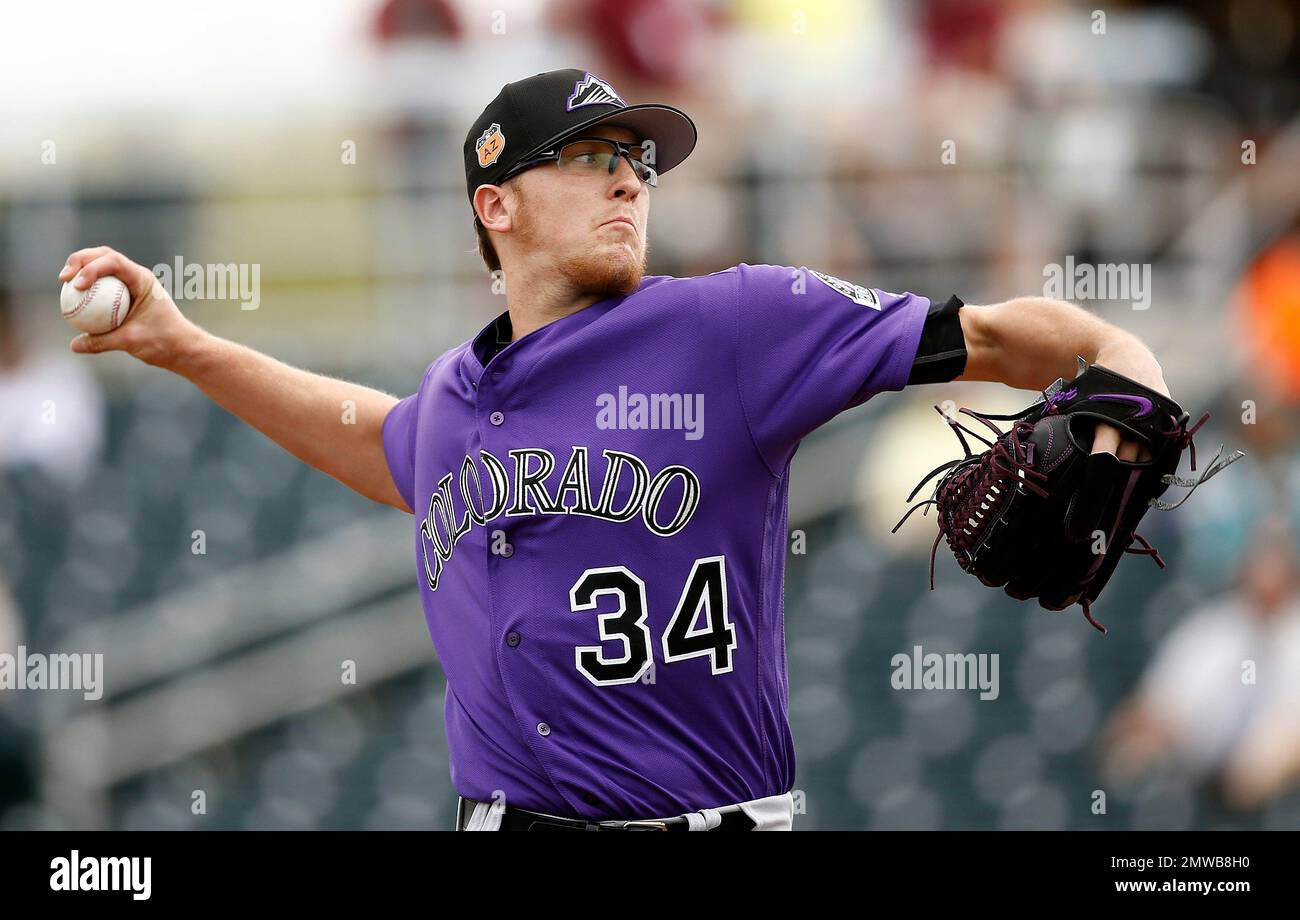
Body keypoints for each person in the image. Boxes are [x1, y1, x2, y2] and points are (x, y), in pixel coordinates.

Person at [57, 68, 1169, 831]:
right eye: (587, 157)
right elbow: (383, 442)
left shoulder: (734, 324)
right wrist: (189, 346)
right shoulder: (453, 397)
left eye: (635, 157)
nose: (629, 177)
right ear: (495, 202)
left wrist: (1120, 354)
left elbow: (985, 334)